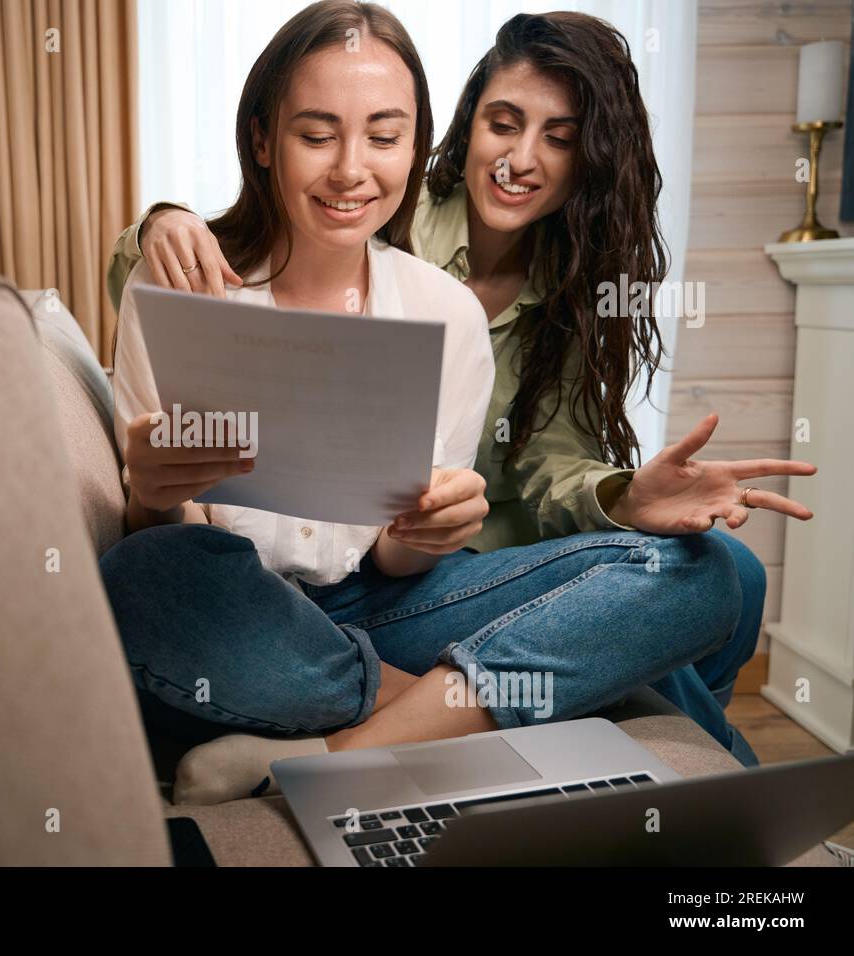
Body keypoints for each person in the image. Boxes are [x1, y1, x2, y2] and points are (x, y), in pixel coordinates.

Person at [100, 4, 809, 803]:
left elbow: (407, 550)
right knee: (147, 570)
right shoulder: (179, 285)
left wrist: (430, 531)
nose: (349, 170)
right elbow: (166, 538)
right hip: (246, 603)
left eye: (382, 135)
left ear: (412, 142)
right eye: (315, 134)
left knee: (709, 573)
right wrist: (153, 495)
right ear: (264, 139)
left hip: (396, 596)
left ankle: (338, 751)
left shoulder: (451, 310)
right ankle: (491, 706)